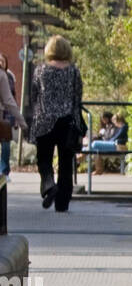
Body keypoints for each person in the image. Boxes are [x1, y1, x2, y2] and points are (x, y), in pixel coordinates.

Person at [29, 35, 84, 212]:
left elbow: (34, 96)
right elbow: (77, 98)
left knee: (44, 159)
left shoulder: (40, 71)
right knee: (66, 163)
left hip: (44, 120)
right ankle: (62, 203)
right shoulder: (73, 72)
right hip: (67, 121)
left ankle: (48, 184)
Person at [0, 52, 25, 176]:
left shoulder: (9, 76)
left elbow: (12, 98)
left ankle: (4, 171)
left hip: (6, 116)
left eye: (2, 61)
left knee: (5, 145)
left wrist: (16, 119)